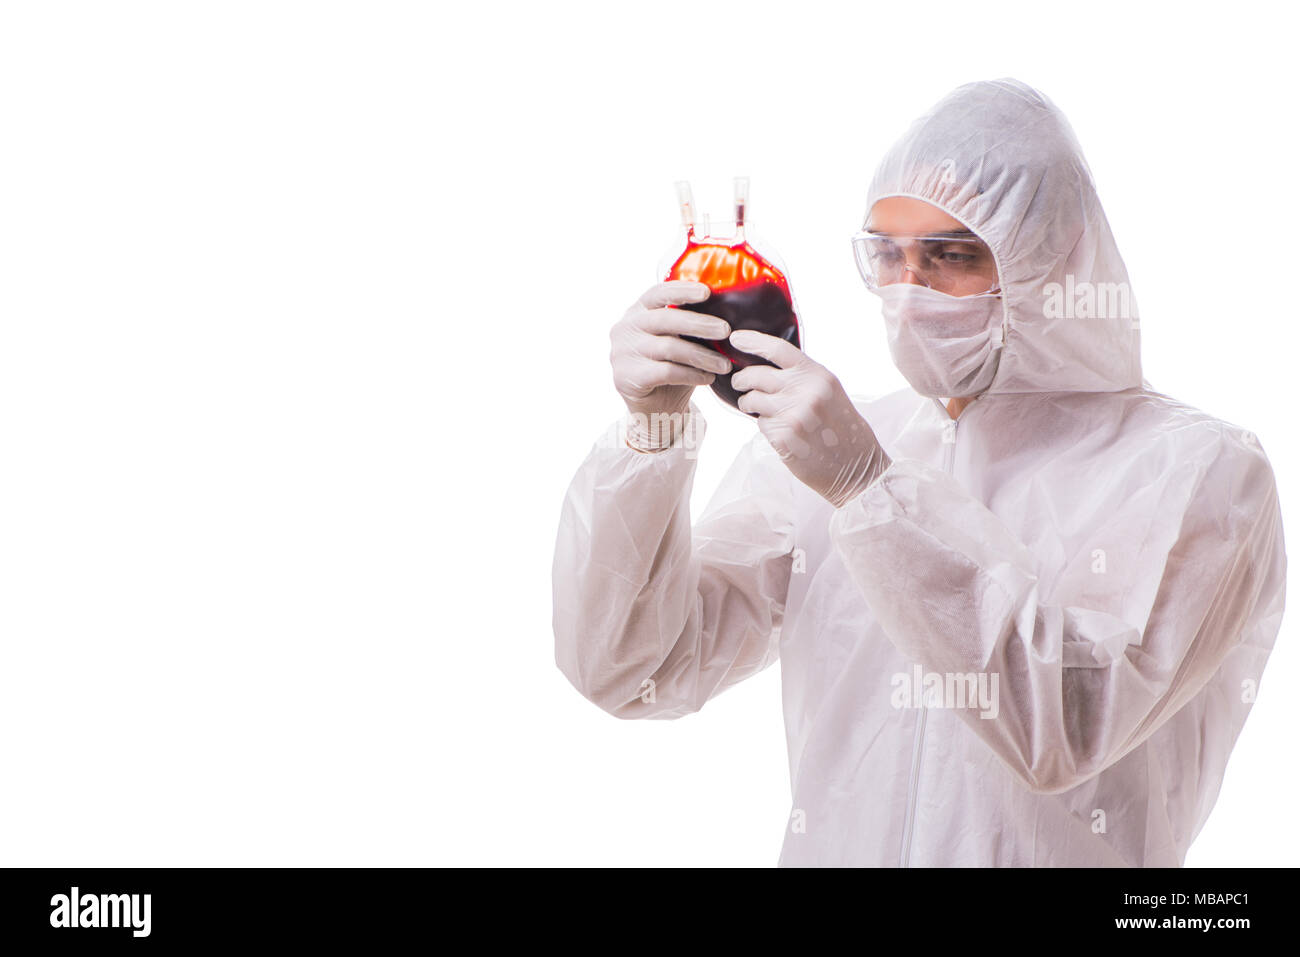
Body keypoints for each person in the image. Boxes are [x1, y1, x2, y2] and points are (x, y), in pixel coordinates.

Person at [551, 78, 1287, 867]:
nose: (909, 292)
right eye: (888, 256)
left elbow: (1072, 723)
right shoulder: (834, 448)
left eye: (950, 255)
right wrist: (654, 431)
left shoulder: (1198, 471)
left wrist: (872, 495)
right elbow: (634, 668)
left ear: (1052, 257)